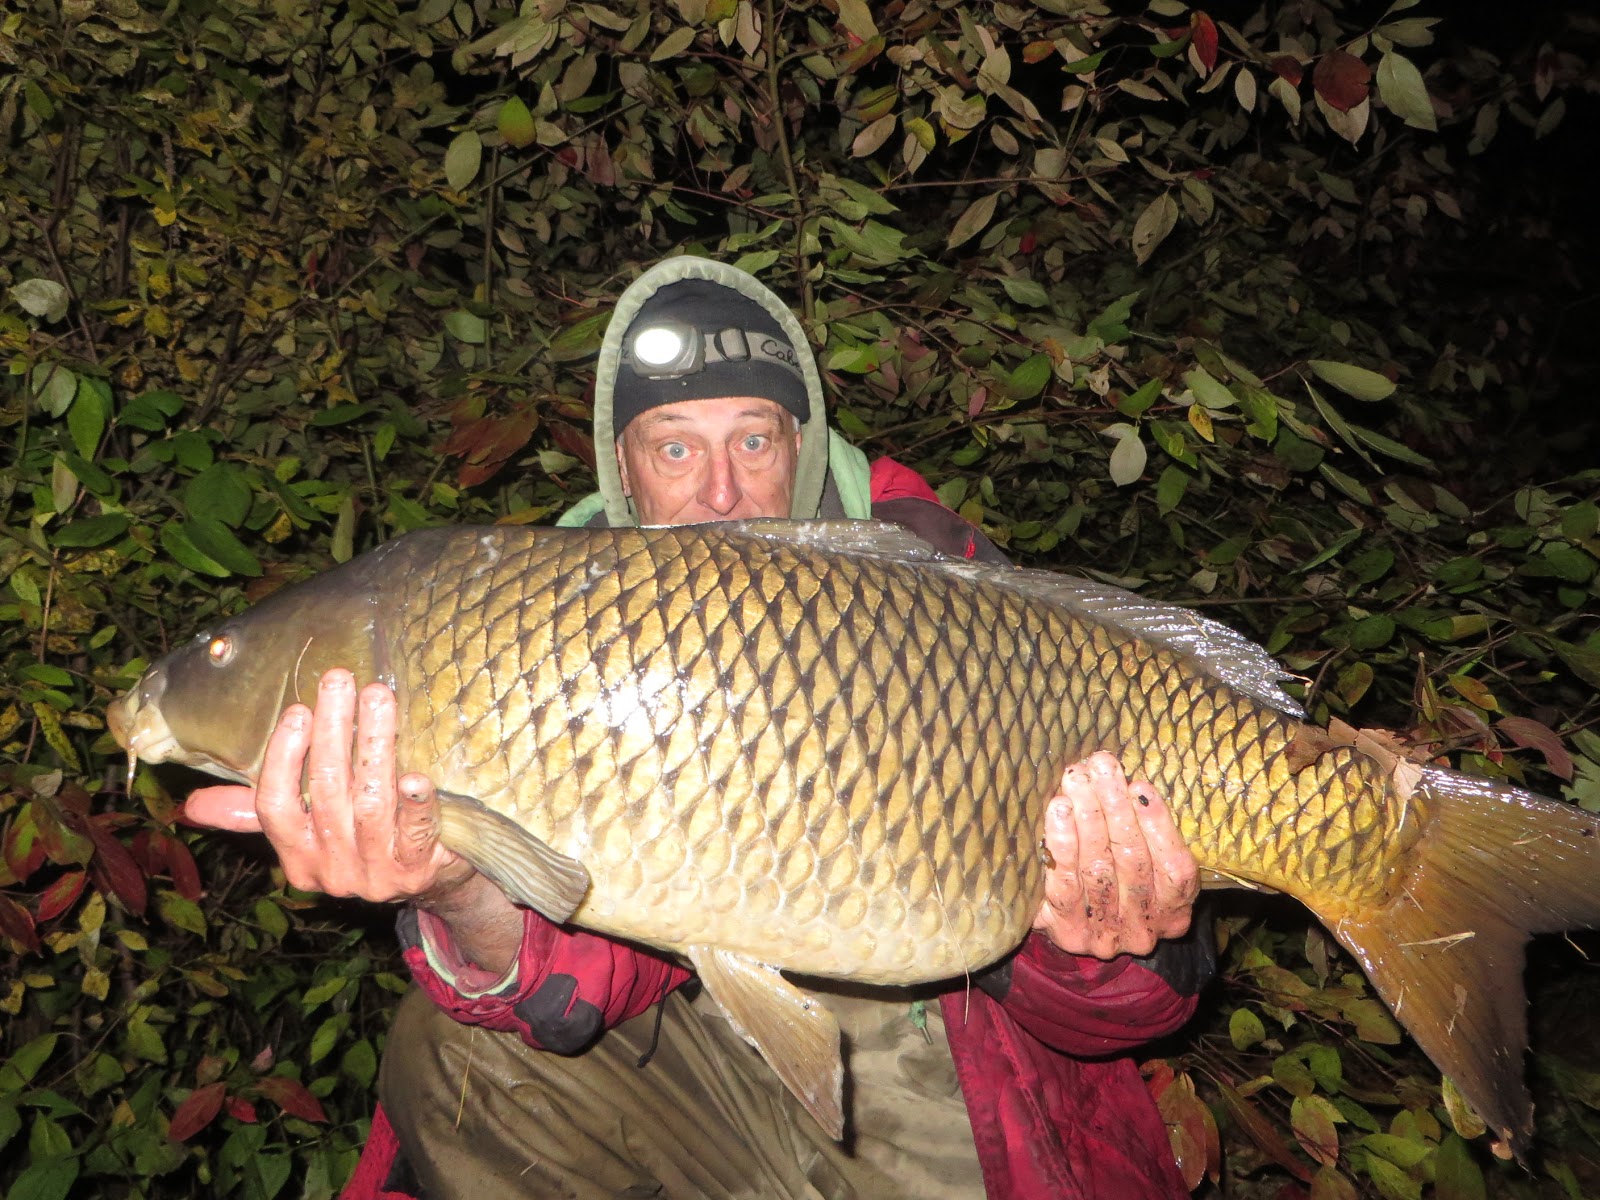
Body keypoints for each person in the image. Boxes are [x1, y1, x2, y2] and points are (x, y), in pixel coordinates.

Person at [186, 257, 1212, 1199]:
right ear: (622, 469)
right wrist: (457, 887)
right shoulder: (544, 630)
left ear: (802, 448)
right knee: (457, 1066)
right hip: (724, 1103)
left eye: (753, 440)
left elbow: (1125, 1019)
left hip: (970, 1117)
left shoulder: (958, 603)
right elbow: (580, 981)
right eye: (676, 446)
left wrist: (1093, 938)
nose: (720, 491)